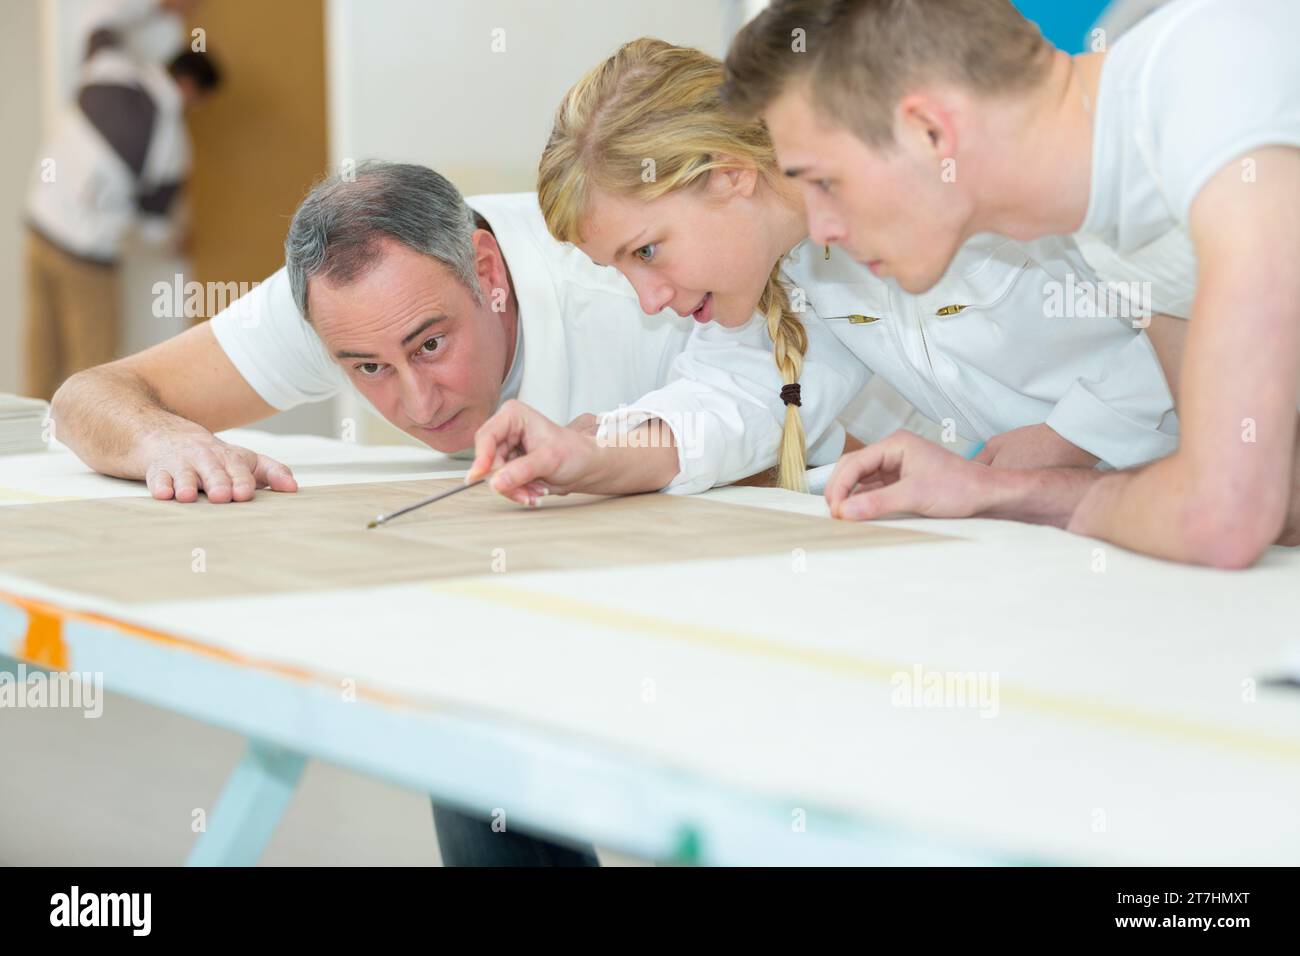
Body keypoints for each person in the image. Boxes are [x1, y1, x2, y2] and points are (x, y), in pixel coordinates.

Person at [725, 0, 1300, 567]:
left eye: (825, 181)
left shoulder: (1212, 76)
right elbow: (1279, 502)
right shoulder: (1118, 234)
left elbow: (1223, 516)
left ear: (929, 130)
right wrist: (1000, 491)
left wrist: (1068, 496)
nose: (820, 228)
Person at [469, 39, 1178, 497]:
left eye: (647, 251)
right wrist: (586, 451)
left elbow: (1197, 301)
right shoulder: (782, 267)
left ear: (729, 175)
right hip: (1081, 525)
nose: (649, 300)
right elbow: (725, 403)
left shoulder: (951, 177)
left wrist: (1070, 439)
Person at [24, 21, 220, 400]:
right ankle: (81, 456)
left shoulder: (112, 66)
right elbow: (152, 227)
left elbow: (99, 28)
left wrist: (159, 9)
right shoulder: (171, 142)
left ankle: (28, 447)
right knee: (93, 374)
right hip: (86, 256)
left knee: (40, 359)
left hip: (40, 227)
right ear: (191, 88)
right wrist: (178, 239)